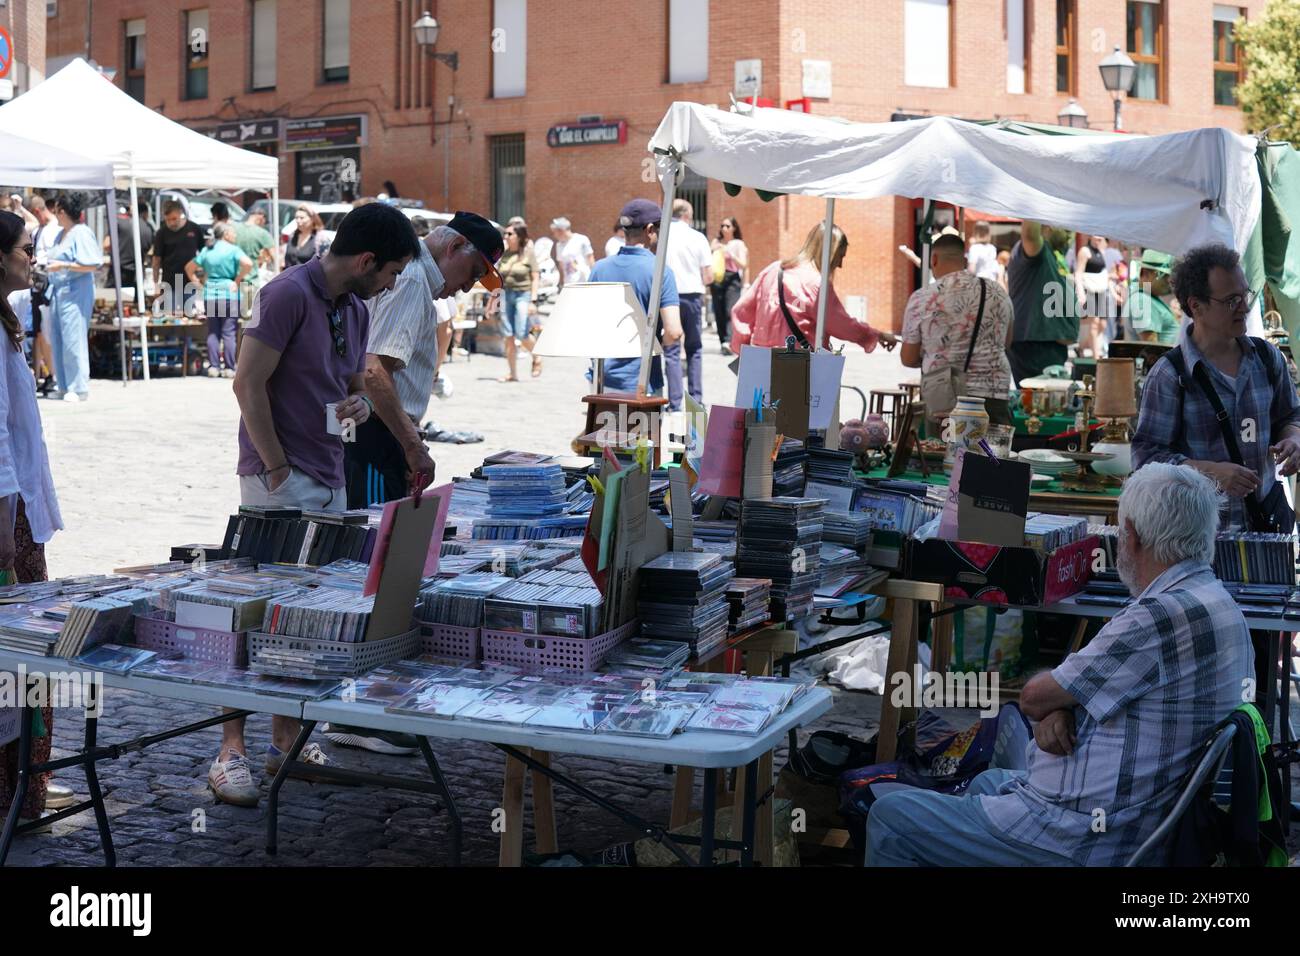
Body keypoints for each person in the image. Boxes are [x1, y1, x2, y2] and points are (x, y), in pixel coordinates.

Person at [867, 463, 1252, 866]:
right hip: (1132, 817)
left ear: (1133, 536)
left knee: (892, 818)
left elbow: (1034, 697)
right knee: (984, 780)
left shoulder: (1158, 615)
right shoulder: (1218, 602)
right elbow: (1058, 697)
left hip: (1084, 837)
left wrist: (1054, 703)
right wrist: (1062, 705)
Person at [215, 203, 418, 806]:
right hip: (283, 478)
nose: (393, 284)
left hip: (331, 473)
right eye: (392, 271)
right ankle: (231, 749)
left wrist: (356, 406)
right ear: (365, 260)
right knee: (254, 608)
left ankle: (288, 739)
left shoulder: (354, 307)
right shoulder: (286, 294)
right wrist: (276, 465)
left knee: (301, 615)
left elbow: (350, 382)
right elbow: (247, 383)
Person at [1132, 243, 1300, 533]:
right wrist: (1210, 473)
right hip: (1197, 540)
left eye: (1244, 295)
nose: (1245, 307)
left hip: (1267, 529)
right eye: (1232, 300)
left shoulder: (1267, 358)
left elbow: (1291, 416)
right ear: (1196, 305)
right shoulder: (1171, 374)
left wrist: (1294, 439)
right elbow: (1146, 460)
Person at [345, 212, 501, 510]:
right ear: (454, 247)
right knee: (376, 540)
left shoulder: (413, 277)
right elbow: (374, 369)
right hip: (375, 434)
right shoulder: (414, 280)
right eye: (474, 272)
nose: (469, 287)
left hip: (385, 429)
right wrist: (412, 446)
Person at [0, 210, 65, 826]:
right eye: (26, 249)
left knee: (25, 657)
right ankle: (14, 794)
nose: (33, 259)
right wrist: (5, 522)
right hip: (7, 517)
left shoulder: (9, 322)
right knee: (19, 656)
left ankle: (23, 792)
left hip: (18, 511)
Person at [900, 233, 1014, 430]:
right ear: (964, 260)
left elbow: (908, 358)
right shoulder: (997, 292)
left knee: (944, 457)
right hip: (993, 394)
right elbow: (1007, 342)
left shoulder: (922, 298)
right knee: (992, 457)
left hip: (945, 397)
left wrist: (934, 354)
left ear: (933, 259)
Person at [729, 222, 896, 354]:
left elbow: (741, 311)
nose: (841, 264)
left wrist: (743, 349)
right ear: (829, 253)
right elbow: (841, 324)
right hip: (798, 364)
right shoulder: (817, 283)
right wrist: (874, 334)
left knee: (762, 398)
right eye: (840, 257)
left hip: (761, 359)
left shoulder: (773, 270)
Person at [588, 198, 683, 395]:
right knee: (643, 428)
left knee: (602, 427)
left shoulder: (599, 268)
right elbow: (673, 331)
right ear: (650, 230)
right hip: (642, 380)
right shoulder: (660, 272)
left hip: (601, 378)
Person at [44, 193, 102, 403]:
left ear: (63, 211)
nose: (55, 214)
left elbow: (92, 264)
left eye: (57, 210)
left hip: (76, 292)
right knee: (58, 339)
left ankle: (79, 387)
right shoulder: (62, 234)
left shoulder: (82, 233)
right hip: (59, 292)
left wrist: (64, 265)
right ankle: (64, 384)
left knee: (73, 338)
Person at [1005, 220, 1078, 383]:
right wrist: (1039, 201)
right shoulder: (1035, 250)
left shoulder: (1051, 253)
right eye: (1064, 227)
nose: (1068, 234)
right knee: (1037, 404)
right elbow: (1030, 233)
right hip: (1035, 348)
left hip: (1047, 346)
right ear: (1046, 225)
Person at [663, 199, 713, 409]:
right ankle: (696, 400)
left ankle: (674, 402)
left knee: (671, 350)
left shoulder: (663, 235)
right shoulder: (697, 237)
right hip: (692, 295)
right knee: (694, 349)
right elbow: (708, 275)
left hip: (667, 297)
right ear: (687, 215)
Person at [187, 223, 252, 378]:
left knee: (213, 332)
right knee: (229, 333)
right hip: (229, 293)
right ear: (226, 234)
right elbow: (248, 264)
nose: (235, 236)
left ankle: (213, 367)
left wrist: (199, 285)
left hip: (210, 294)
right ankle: (230, 368)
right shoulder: (233, 250)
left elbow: (189, 268)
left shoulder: (207, 250)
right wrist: (237, 280)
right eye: (233, 233)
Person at [495, 221, 539, 383]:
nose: (506, 236)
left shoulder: (528, 253)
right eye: (505, 234)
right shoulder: (504, 254)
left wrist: (533, 300)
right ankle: (512, 374)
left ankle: (537, 356)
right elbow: (498, 277)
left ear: (519, 237)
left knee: (521, 332)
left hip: (523, 294)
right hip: (506, 294)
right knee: (508, 335)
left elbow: (535, 277)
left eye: (509, 234)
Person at [150, 200, 205, 311]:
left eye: (174, 218)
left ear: (181, 213)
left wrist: (203, 277)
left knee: (189, 317)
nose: (171, 223)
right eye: (168, 220)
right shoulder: (162, 233)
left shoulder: (194, 229)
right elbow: (156, 260)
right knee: (168, 316)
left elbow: (204, 254)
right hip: (169, 283)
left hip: (189, 283)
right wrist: (156, 285)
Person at [1121, 249, 1181, 345]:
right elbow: (1151, 349)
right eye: (1164, 276)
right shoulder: (1142, 301)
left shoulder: (1147, 298)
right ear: (1145, 273)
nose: (1168, 281)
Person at [710, 217, 747, 355]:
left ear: (734, 228)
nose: (724, 228)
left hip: (732, 278)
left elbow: (743, 265)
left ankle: (729, 341)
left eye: (727, 226)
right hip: (717, 278)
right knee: (718, 311)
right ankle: (723, 342)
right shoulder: (716, 242)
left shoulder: (738, 244)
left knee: (730, 310)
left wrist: (730, 254)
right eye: (722, 225)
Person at [1075, 234, 1114, 357]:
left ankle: (1081, 347)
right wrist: (1080, 292)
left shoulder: (1101, 251)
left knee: (1102, 324)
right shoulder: (1085, 251)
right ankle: (1096, 356)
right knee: (1094, 323)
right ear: (1090, 236)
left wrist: (1113, 291)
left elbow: (1104, 274)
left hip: (1101, 291)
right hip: (1089, 290)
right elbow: (1078, 272)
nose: (1099, 238)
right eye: (1096, 235)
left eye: (1101, 236)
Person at [104, 201, 154, 294]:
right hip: (137, 273)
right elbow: (150, 250)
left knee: (111, 301)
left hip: (117, 270)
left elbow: (106, 245)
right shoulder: (149, 228)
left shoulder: (120, 223)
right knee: (134, 305)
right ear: (146, 213)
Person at [550, 217, 594, 288]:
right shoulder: (559, 245)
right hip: (569, 284)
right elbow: (561, 265)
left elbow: (590, 259)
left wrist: (594, 278)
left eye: (555, 232)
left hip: (584, 282)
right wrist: (561, 283)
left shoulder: (581, 239)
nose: (554, 235)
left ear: (561, 231)